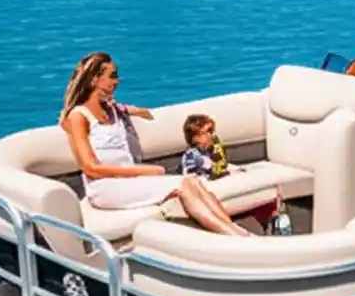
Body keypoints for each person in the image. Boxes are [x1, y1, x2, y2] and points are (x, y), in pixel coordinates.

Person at [59, 52, 250, 237]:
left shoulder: (112, 109)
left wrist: (143, 113)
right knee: (183, 185)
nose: (117, 81)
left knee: (192, 180)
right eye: (112, 76)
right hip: (106, 188)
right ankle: (232, 237)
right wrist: (144, 171)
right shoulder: (79, 116)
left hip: (128, 182)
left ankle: (236, 232)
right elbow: (90, 168)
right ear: (94, 80)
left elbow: (137, 111)